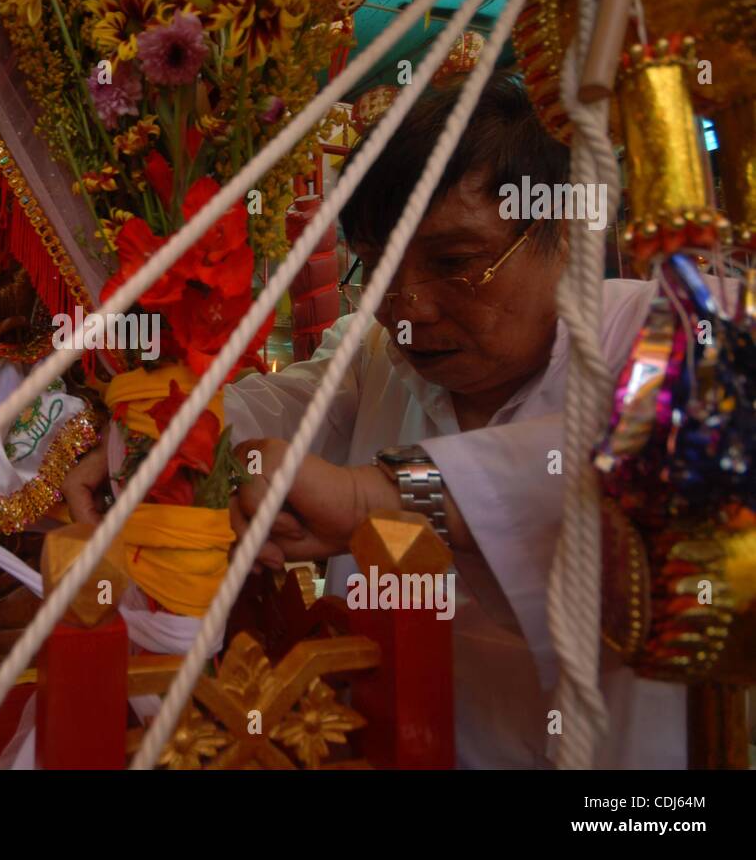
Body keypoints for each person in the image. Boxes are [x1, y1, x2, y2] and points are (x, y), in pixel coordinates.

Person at [64, 71, 685, 768]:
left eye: (454, 261)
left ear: (567, 232)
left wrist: (378, 496)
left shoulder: (659, 328)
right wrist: (156, 439)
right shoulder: (376, 354)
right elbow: (259, 409)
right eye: (379, 266)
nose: (409, 306)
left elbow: (649, 461)